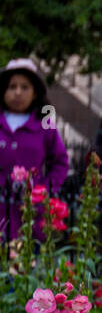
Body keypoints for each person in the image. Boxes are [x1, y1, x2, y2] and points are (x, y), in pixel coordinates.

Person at [0, 59, 70, 242]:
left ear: (35, 93)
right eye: (12, 86)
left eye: (25, 87)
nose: (17, 92)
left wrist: (44, 191)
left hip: (31, 218)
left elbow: (60, 162)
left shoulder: (44, 124)